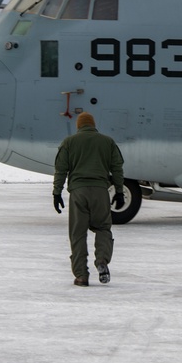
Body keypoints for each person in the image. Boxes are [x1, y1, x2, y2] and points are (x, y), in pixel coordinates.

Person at [52, 112, 125, 287]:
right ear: (93, 125)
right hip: (100, 191)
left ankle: (81, 276)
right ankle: (102, 260)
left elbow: (61, 169)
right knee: (103, 228)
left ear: (79, 126)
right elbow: (117, 168)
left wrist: (57, 193)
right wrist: (120, 192)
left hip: (78, 192)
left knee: (78, 234)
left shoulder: (69, 142)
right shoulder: (107, 142)